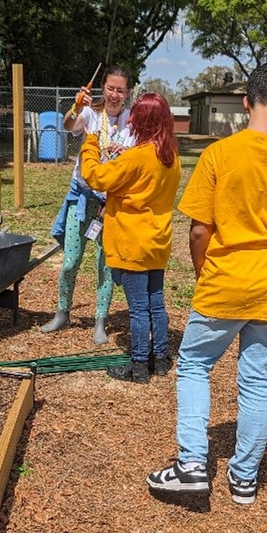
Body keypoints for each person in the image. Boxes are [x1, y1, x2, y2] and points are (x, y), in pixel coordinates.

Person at [146, 62, 267, 505]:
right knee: (257, 378)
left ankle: (191, 465)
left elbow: (197, 231)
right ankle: (244, 479)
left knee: (193, 365)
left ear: (245, 103)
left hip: (224, 283)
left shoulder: (219, 155)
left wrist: (204, 271)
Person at [79, 93, 181, 384]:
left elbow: (96, 177)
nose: (131, 119)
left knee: (138, 308)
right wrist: (126, 154)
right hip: (157, 240)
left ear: (143, 121)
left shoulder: (138, 156)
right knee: (156, 303)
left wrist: (89, 144)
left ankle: (137, 366)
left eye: (136, 115)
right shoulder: (170, 156)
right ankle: (159, 360)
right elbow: (144, 176)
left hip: (133, 242)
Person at [41, 65, 135, 345]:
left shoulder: (132, 120)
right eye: (110, 88)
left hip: (111, 201)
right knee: (70, 261)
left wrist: (126, 150)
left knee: (105, 265)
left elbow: (142, 152)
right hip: (82, 196)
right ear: (102, 89)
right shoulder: (91, 113)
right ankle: (62, 312)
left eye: (120, 90)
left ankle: (100, 321)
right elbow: (69, 126)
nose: (115, 94)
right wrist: (74, 107)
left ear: (127, 92)